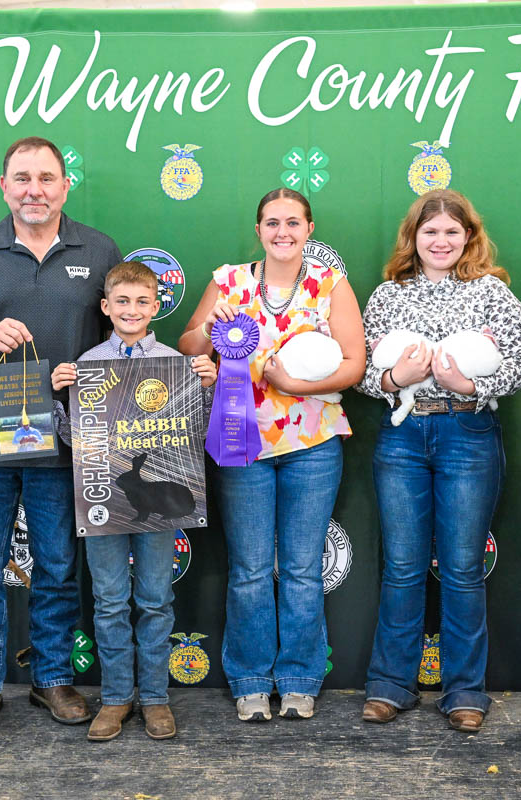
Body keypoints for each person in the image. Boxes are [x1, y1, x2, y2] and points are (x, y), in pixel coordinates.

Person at [0, 136, 122, 736]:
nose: (35, 189)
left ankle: (54, 680)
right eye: (22, 178)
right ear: (4, 186)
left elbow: (125, 334)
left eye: (46, 178)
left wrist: (88, 373)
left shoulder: (100, 248)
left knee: (58, 568)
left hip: (65, 442)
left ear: (66, 185)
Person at [178, 187, 366, 722]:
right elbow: (189, 342)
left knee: (304, 568)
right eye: (271, 223)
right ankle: (252, 680)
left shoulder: (330, 284)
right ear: (258, 230)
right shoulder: (229, 281)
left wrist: (295, 385)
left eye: (293, 222)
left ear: (309, 229)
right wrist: (213, 332)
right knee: (251, 569)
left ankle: (302, 678)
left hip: (313, 443)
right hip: (242, 443)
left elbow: (355, 364)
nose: (282, 232)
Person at [355, 189, 521, 733]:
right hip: (403, 433)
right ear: (413, 237)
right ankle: (390, 686)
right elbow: (361, 372)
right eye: (430, 231)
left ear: (469, 238)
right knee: (403, 566)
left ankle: (464, 692)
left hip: (468, 430)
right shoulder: (388, 296)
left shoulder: (492, 293)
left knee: (461, 568)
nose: (441, 241)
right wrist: (394, 380)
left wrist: (471, 384)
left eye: (452, 232)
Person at [51, 261, 217, 741]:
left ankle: (156, 699)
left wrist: (205, 387)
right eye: (122, 301)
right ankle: (117, 697)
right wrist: (62, 398)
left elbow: (193, 432)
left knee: (155, 599)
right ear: (106, 307)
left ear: (156, 306)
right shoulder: (85, 365)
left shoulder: (173, 361)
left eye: (142, 301)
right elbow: (72, 439)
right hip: (102, 497)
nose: (131, 309)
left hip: (159, 507)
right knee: (108, 602)